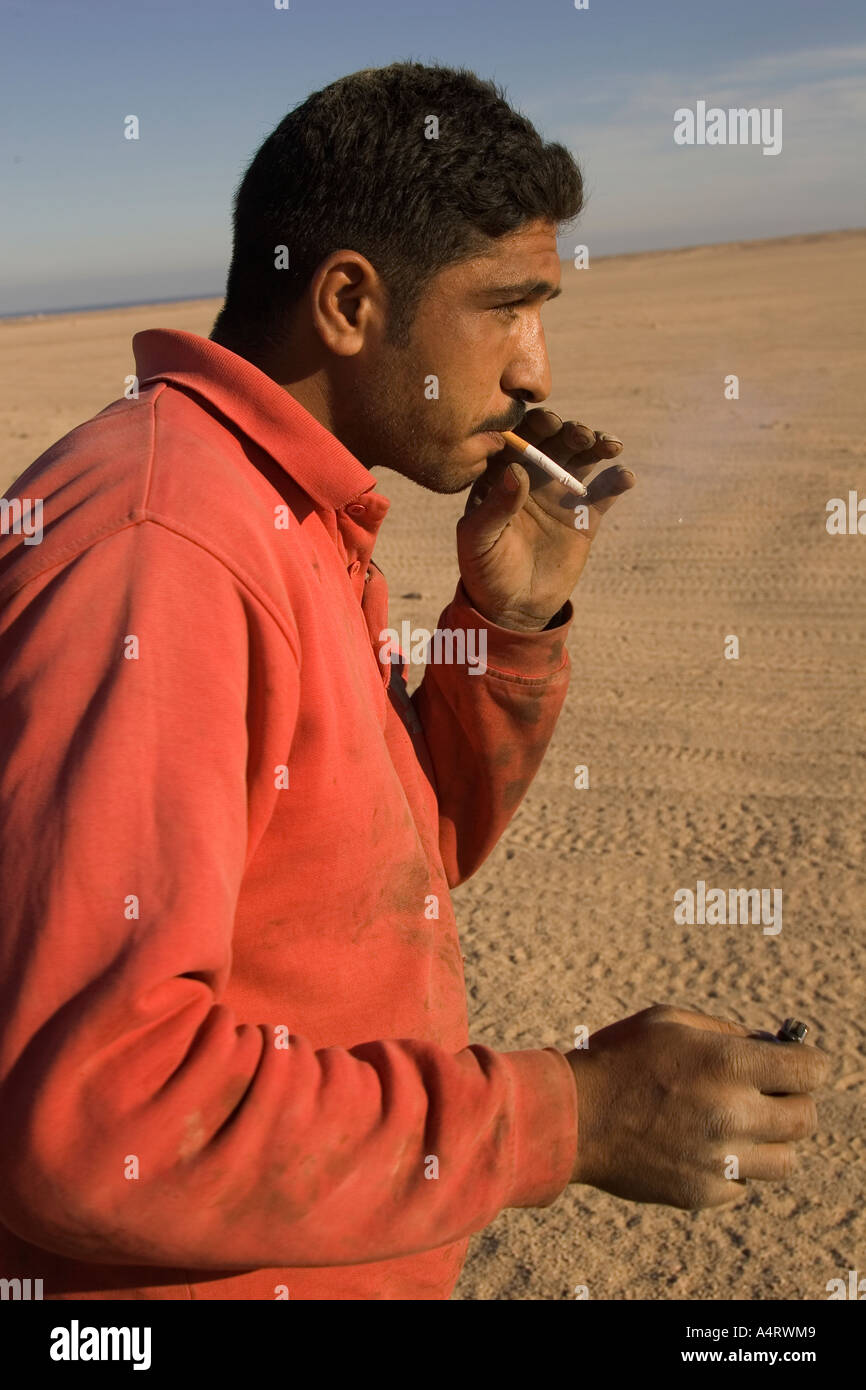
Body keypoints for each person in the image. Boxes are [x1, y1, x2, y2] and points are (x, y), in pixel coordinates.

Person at [0, 61, 828, 1302]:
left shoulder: (287, 515)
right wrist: (570, 1118)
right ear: (346, 301)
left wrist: (508, 619)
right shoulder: (161, 548)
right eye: (505, 306)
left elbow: (376, 867)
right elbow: (94, 1116)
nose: (535, 369)